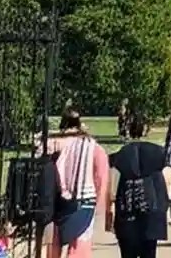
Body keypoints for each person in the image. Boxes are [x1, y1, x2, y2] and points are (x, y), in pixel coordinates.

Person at [45, 107, 109, 258]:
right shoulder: (92, 146)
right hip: (84, 199)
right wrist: (101, 204)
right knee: (80, 242)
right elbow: (101, 176)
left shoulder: (53, 142)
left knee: (54, 240)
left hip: (56, 200)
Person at [105, 114, 168, 258]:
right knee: (149, 253)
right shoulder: (159, 153)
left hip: (127, 210)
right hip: (151, 210)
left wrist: (110, 214)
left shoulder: (119, 156)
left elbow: (113, 189)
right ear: (146, 129)